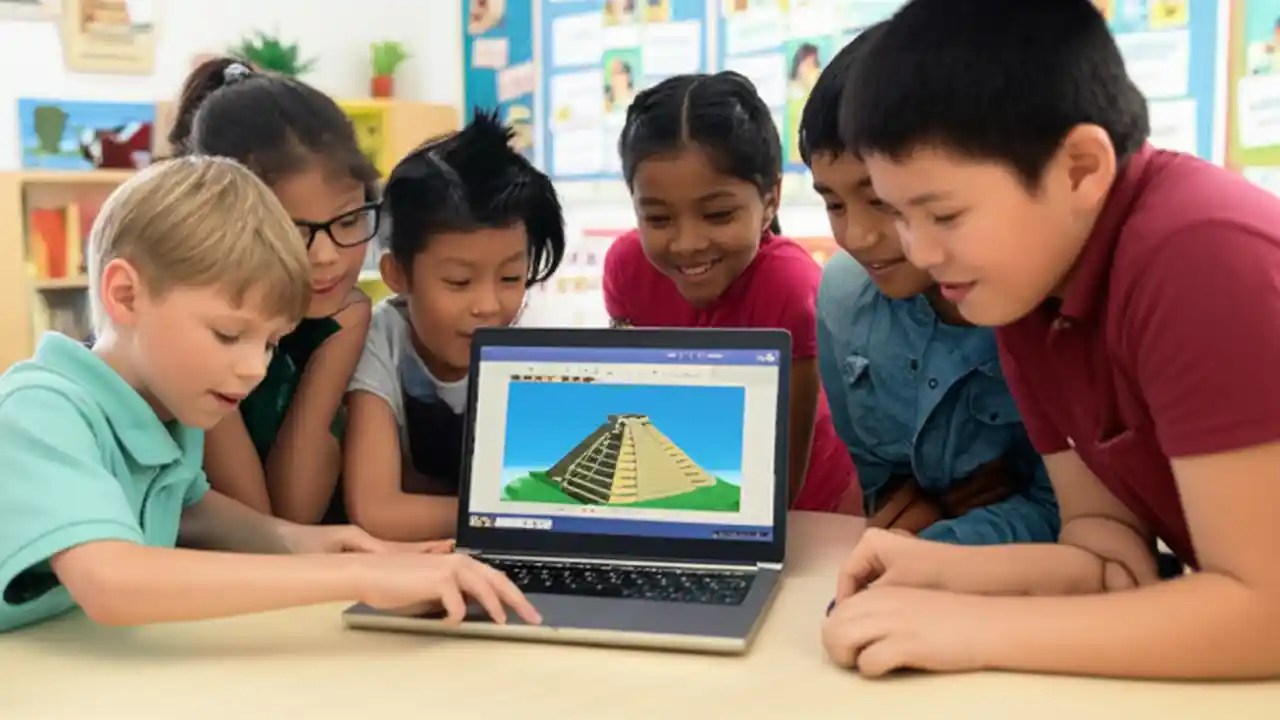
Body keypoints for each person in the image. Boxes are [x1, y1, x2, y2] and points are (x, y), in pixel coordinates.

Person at [822, 0, 1280, 680]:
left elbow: (1265, 616)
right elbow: (1108, 555)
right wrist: (946, 571)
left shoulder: (1203, 255)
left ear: (1079, 169)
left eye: (944, 213)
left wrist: (974, 627)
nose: (920, 250)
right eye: (899, 214)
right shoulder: (1028, 288)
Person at [0, 157, 539, 633]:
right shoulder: (41, 408)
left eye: (270, 343)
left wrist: (320, 544)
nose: (254, 368)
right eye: (228, 335)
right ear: (124, 295)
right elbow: (112, 580)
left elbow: (189, 510)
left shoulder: (168, 414)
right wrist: (354, 574)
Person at [801, 25, 1057, 543]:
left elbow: (1079, 513)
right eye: (832, 202)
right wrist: (930, 510)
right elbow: (889, 495)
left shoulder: (1042, 305)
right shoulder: (845, 300)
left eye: (879, 197)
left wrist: (933, 541)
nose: (858, 235)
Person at [605, 71, 859, 513]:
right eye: (659, 219)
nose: (687, 243)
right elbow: (632, 402)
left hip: (806, 510)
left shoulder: (791, 287)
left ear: (771, 201)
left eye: (718, 214)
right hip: (686, 494)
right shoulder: (628, 266)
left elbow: (784, 479)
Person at [170, 58, 379, 525]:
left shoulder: (343, 316)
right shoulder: (201, 328)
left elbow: (294, 513)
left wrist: (335, 344)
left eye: (349, 220)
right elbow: (263, 524)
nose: (326, 256)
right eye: (294, 230)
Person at [344, 111, 565, 541]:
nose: (488, 306)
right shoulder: (381, 341)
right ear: (397, 274)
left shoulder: (532, 346)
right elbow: (376, 510)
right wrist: (515, 518)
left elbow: (551, 495)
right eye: (459, 282)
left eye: (510, 278)